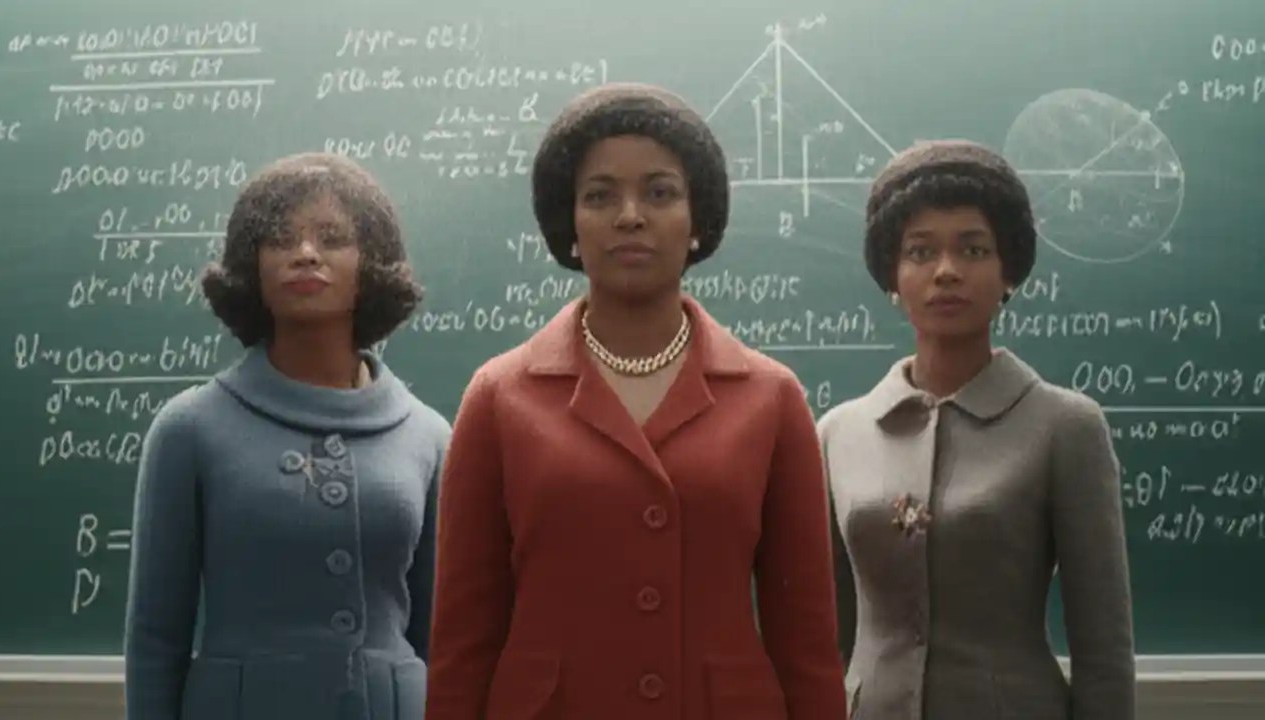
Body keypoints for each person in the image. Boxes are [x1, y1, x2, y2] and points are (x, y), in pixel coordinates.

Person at [425, 82, 847, 720]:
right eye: (600, 196)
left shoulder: (772, 398)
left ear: (696, 219)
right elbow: (464, 643)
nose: (629, 215)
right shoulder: (499, 397)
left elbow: (807, 646)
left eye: (659, 192)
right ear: (569, 223)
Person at [123, 152, 450, 720]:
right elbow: (156, 640)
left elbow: (440, 635)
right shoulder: (190, 428)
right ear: (251, 266)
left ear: (370, 264)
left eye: (332, 237)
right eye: (280, 238)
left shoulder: (429, 435)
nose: (305, 253)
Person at [818, 139, 1135, 719]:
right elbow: (824, 638)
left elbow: (1104, 652)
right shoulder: (839, 433)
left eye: (973, 249)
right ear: (892, 274)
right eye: (919, 252)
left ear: (1007, 270)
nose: (946, 272)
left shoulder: (1065, 427)